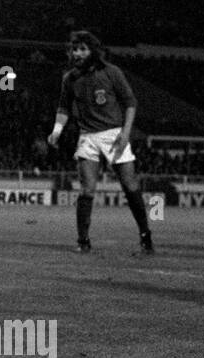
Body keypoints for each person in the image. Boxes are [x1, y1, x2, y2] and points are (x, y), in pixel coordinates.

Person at [46, 30, 154, 253]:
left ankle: (145, 235)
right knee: (87, 190)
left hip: (114, 134)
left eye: (83, 49)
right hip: (88, 137)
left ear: (93, 51)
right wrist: (57, 130)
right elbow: (63, 107)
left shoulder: (112, 72)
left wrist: (125, 134)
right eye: (75, 49)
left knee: (130, 186)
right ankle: (83, 240)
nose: (77, 53)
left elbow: (130, 103)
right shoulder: (70, 78)